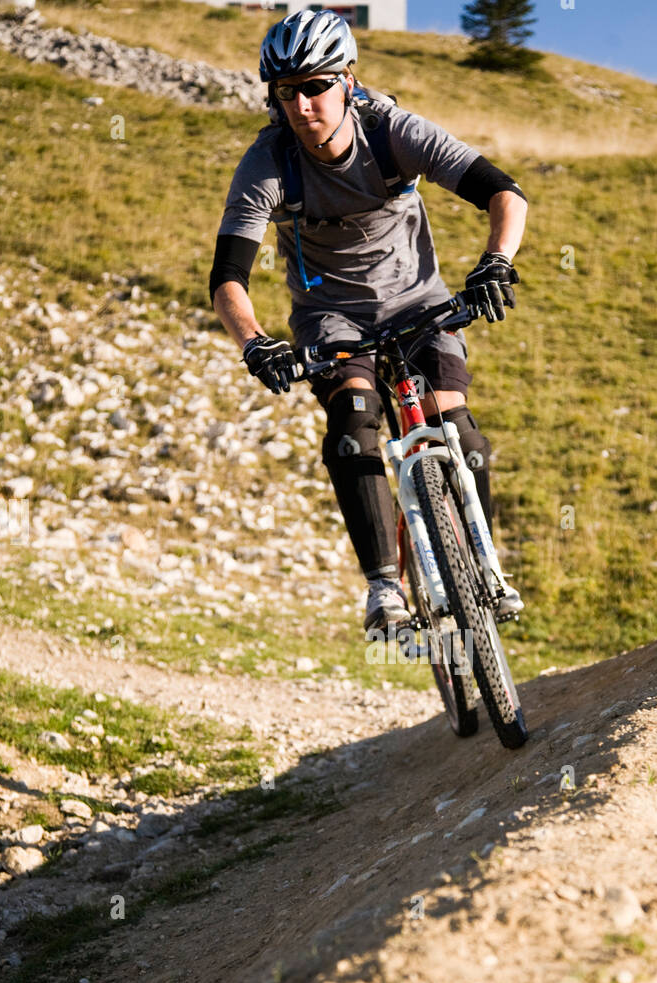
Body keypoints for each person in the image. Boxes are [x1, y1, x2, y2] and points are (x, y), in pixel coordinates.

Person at [209, 7, 527, 633]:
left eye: (316, 85)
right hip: (330, 320)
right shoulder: (268, 164)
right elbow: (227, 277)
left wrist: (496, 263)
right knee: (353, 425)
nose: (302, 105)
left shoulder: (391, 132)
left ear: (348, 80)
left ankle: (483, 564)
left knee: (459, 431)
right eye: (286, 91)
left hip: (420, 302)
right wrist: (255, 344)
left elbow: (503, 191)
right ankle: (384, 587)